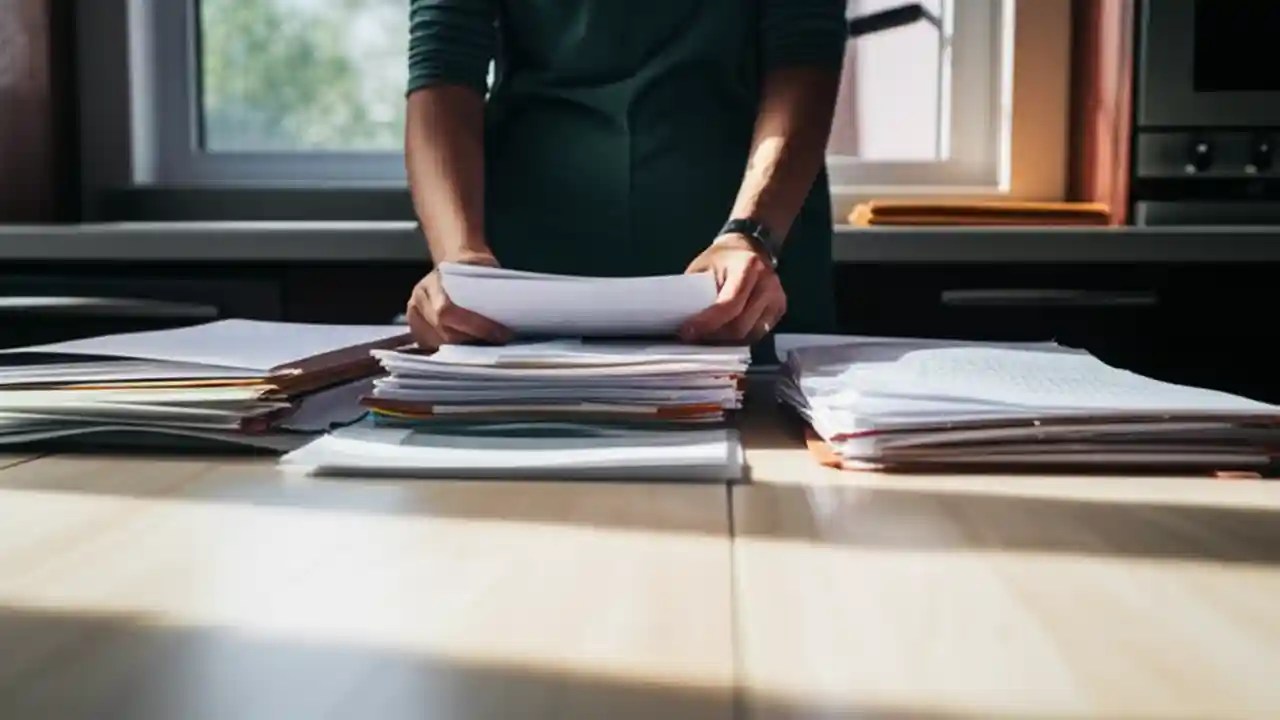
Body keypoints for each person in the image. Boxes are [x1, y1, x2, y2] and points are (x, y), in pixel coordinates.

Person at [403, 0, 845, 353]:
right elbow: (443, 67)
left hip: (748, 275)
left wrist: (751, 233)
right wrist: (458, 259)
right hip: (520, 285)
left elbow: (805, 53)